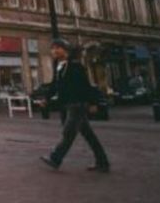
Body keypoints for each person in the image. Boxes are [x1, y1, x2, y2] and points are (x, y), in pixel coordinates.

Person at [39, 38, 110, 172]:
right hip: (68, 103)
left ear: (65, 50)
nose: (53, 51)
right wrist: (46, 98)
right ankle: (102, 161)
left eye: (56, 48)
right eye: (52, 48)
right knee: (89, 135)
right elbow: (55, 85)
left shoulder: (75, 66)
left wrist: (94, 102)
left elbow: (85, 85)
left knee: (68, 132)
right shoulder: (58, 66)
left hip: (77, 104)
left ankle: (55, 158)